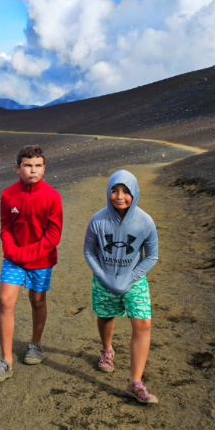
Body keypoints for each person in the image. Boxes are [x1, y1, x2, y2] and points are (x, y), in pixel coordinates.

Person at [0, 145, 63, 383]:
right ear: (18, 168)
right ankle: (6, 361)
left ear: (44, 168)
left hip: (41, 259)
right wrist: (13, 252)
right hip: (14, 258)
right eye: (28, 165)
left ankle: (36, 345)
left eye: (38, 165)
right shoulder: (8, 195)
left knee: (37, 301)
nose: (33, 170)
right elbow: (5, 228)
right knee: (4, 301)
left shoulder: (52, 196)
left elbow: (53, 236)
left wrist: (26, 254)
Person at [83, 169, 159, 404]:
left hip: (134, 281)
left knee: (143, 323)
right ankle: (107, 351)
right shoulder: (98, 220)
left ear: (135, 193)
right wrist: (104, 277)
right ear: (108, 192)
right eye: (114, 190)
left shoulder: (145, 222)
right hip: (104, 279)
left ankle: (134, 382)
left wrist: (132, 276)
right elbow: (89, 251)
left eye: (126, 191)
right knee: (105, 317)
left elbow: (151, 256)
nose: (119, 196)